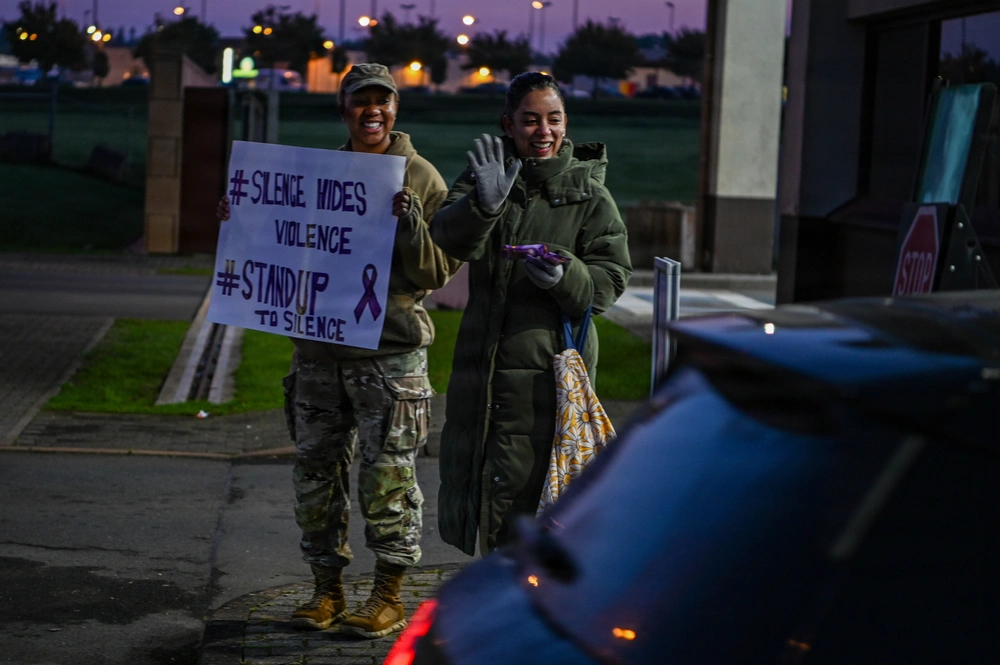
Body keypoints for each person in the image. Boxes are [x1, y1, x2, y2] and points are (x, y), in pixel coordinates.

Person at [218, 63, 459, 638]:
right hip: (319, 356)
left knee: (388, 478)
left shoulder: (419, 177)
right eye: (361, 101)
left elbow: (439, 272)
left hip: (388, 356)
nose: (372, 111)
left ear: (396, 109)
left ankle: (388, 595)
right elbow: (287, 250)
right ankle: (325, 591)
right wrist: (240, 223)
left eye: (383, 101)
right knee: (315, 475)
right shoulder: (317, 176)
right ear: (343, 109)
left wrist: (409, 224)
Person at [431, 72, 632, 556]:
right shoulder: (486, 175)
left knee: (543, 504)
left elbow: (610, 282)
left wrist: (566, 279)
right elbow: (447, 238)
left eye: (554, 118)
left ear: (567, 123)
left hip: (551, 375)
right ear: (508, 124)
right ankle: (498, 601)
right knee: (490, 495)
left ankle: (528, 608)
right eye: (530, 120)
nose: (544, 131)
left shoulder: (589, 194)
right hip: (483, 369)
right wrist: (484, 203)